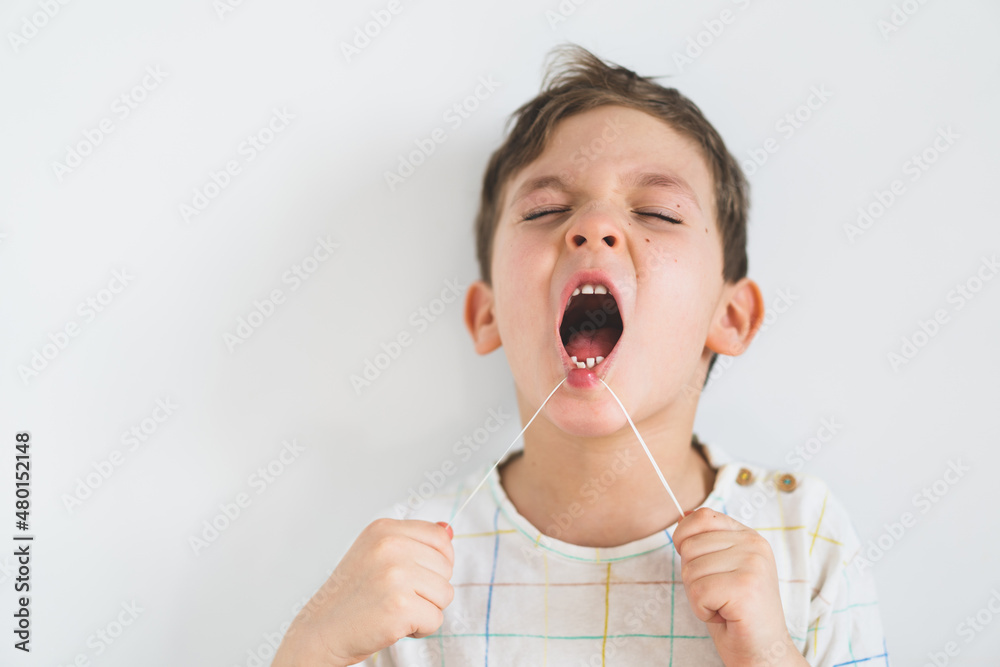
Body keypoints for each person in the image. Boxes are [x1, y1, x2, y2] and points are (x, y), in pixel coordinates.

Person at [273, 43, 888, 666]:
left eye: (656, 212)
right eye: (545, 210)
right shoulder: (401, 566)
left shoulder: (802, 536)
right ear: (488, 316)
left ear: (729, 317)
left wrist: (769, 653)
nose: (593, 226)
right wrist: (312, 650)